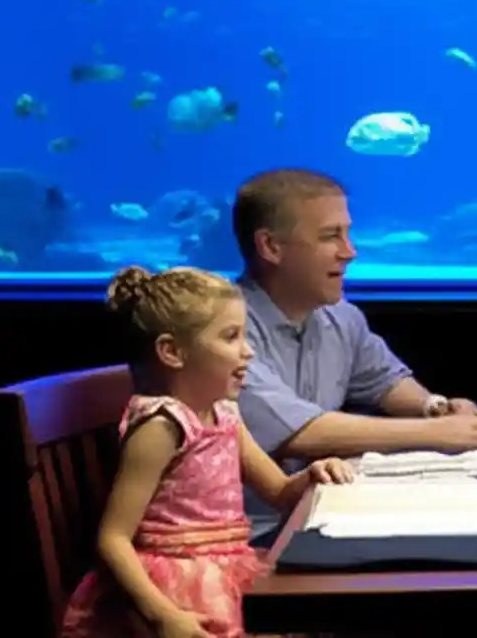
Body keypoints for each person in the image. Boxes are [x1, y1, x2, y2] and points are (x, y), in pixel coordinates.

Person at [59, 266, 355, 638]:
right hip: (177, 585)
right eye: (231, 337)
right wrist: (163, 615)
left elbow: (280, 493)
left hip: (231, 567)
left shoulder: (225, 414)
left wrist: (313, 475)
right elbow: (113, 538)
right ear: (172, 351)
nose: (248, 352)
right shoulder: (162, 425)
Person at [230, 168, 477, 543]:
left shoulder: (340, 316)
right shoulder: (222, 331)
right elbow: (298, 432)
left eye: (347, 233)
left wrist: (436, 407)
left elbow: (384, 381)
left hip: (323, 515)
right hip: (251, 540)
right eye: (331, 236)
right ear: (270, 247)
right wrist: (436, 434)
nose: (350, 252)